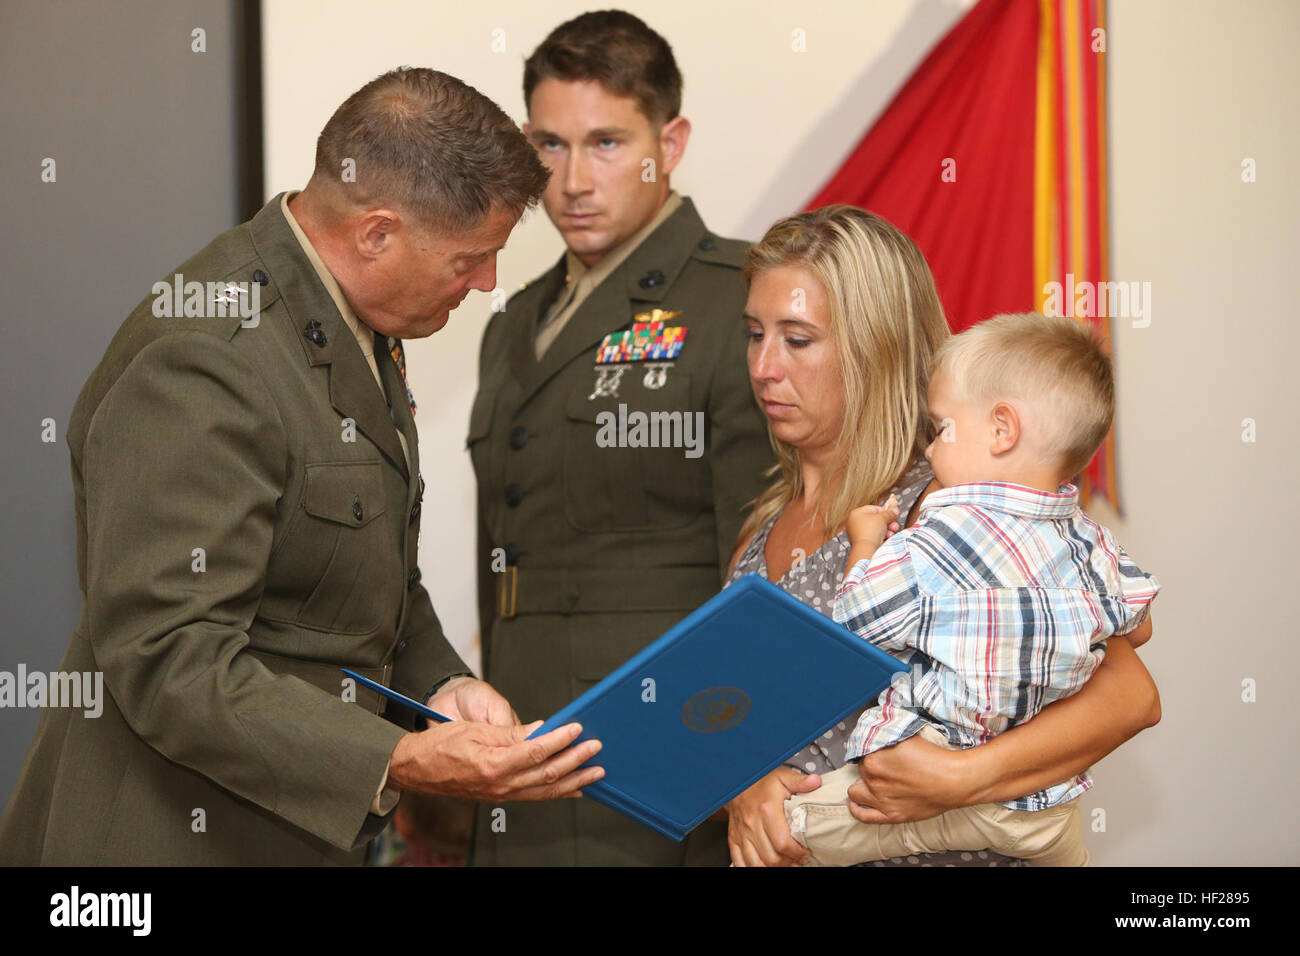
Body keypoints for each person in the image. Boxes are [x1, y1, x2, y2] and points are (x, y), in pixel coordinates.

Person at [0, 68, 604, 866]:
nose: (487, 281)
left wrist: (440, 690)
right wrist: (397, 759)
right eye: (470, 258)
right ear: (377, 233)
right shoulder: (209, 358)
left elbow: (363, 567)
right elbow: (171, 657)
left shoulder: (347, 312)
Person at [723, 205, 1162, 867]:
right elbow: (736, 715)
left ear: (876, 346)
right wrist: (744, 788)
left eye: (798, 339)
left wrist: (967, 778)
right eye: (755, 333)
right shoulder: (759, 528)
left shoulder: (952, 499)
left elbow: (1131, 695)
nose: (763, 366)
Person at [468, 11, 774, 866]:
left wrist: (740, 772)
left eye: (606, 142)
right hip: (523, 761)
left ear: (668, 143)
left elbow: (763, 576)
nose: (571, 180)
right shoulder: (513, 321)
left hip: (663, 771)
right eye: (548, 145)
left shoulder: (742, 302)